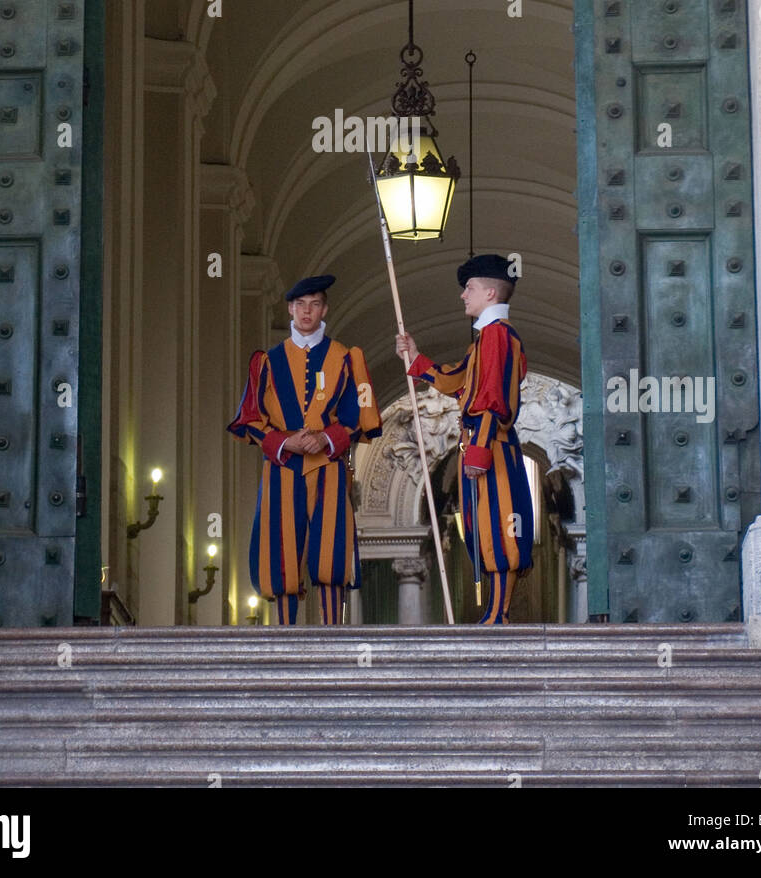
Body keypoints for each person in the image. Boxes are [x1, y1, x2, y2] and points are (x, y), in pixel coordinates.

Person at [228, 274, 381, 625]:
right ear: (290, 309)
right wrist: (283, 441)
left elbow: (363, 412)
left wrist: (327, 437)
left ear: (324, 308)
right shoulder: (267, 362)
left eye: (313, 304)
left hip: (328, 465)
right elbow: (250, 419)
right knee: (281, 548)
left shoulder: (346, 357)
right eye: (299, 305)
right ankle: (285, 631)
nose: (306, 312)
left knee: (329, 548)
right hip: (282, 466)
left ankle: (332, 629)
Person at [396, 254, 533, 625]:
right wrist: (415, 357)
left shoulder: (498, 337)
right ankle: (493, 609)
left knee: (499, 525)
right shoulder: (485, 341)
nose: (462, 296)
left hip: (491, 446)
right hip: (484, 445)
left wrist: (478, 449)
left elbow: (492, 399)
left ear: (490, 292)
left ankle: (499, 612)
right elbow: (457, 380)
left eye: (469, 288)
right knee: (482, 527)